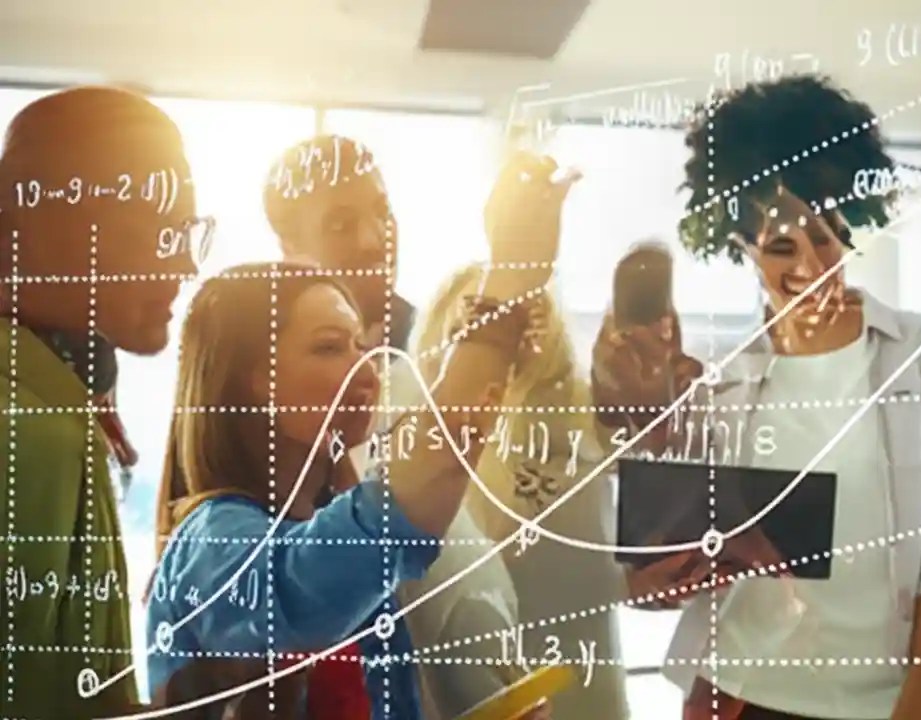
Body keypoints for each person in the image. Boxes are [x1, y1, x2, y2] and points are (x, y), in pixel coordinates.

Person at [592, 74, 921, 719]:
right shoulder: (718, 378)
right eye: (780, 245)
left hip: (888, 703)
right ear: (741, 243)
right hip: (738, 697)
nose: (806, 265)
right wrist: (653, 577)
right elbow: (677, 557)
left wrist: (918, 702)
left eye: (828, 235)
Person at [146, 151, 575, 719]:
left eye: (360, 347)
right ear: (252, 383)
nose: (365, 370)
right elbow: (407, 498)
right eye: (328, 347)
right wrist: (509, 283)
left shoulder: (322, 518)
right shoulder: (213, 545)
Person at [0, 86, 206, 717]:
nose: (186, 266)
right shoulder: (31, 429)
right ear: (51, 231)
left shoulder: (53, 399)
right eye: (164, 234)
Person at [399, 262, 630, 719]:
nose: (509, 325)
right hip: (485, 687)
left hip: (587, 679)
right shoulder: (426, 435)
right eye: (480, 310)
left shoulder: (581, 412)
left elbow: (594, 554)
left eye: (531, 310)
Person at [263, 134, 414, 351]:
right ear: (290, 248)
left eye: (383, 213)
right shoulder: (264, 359)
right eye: (341, 225)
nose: (372, 241)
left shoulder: (439, 352)